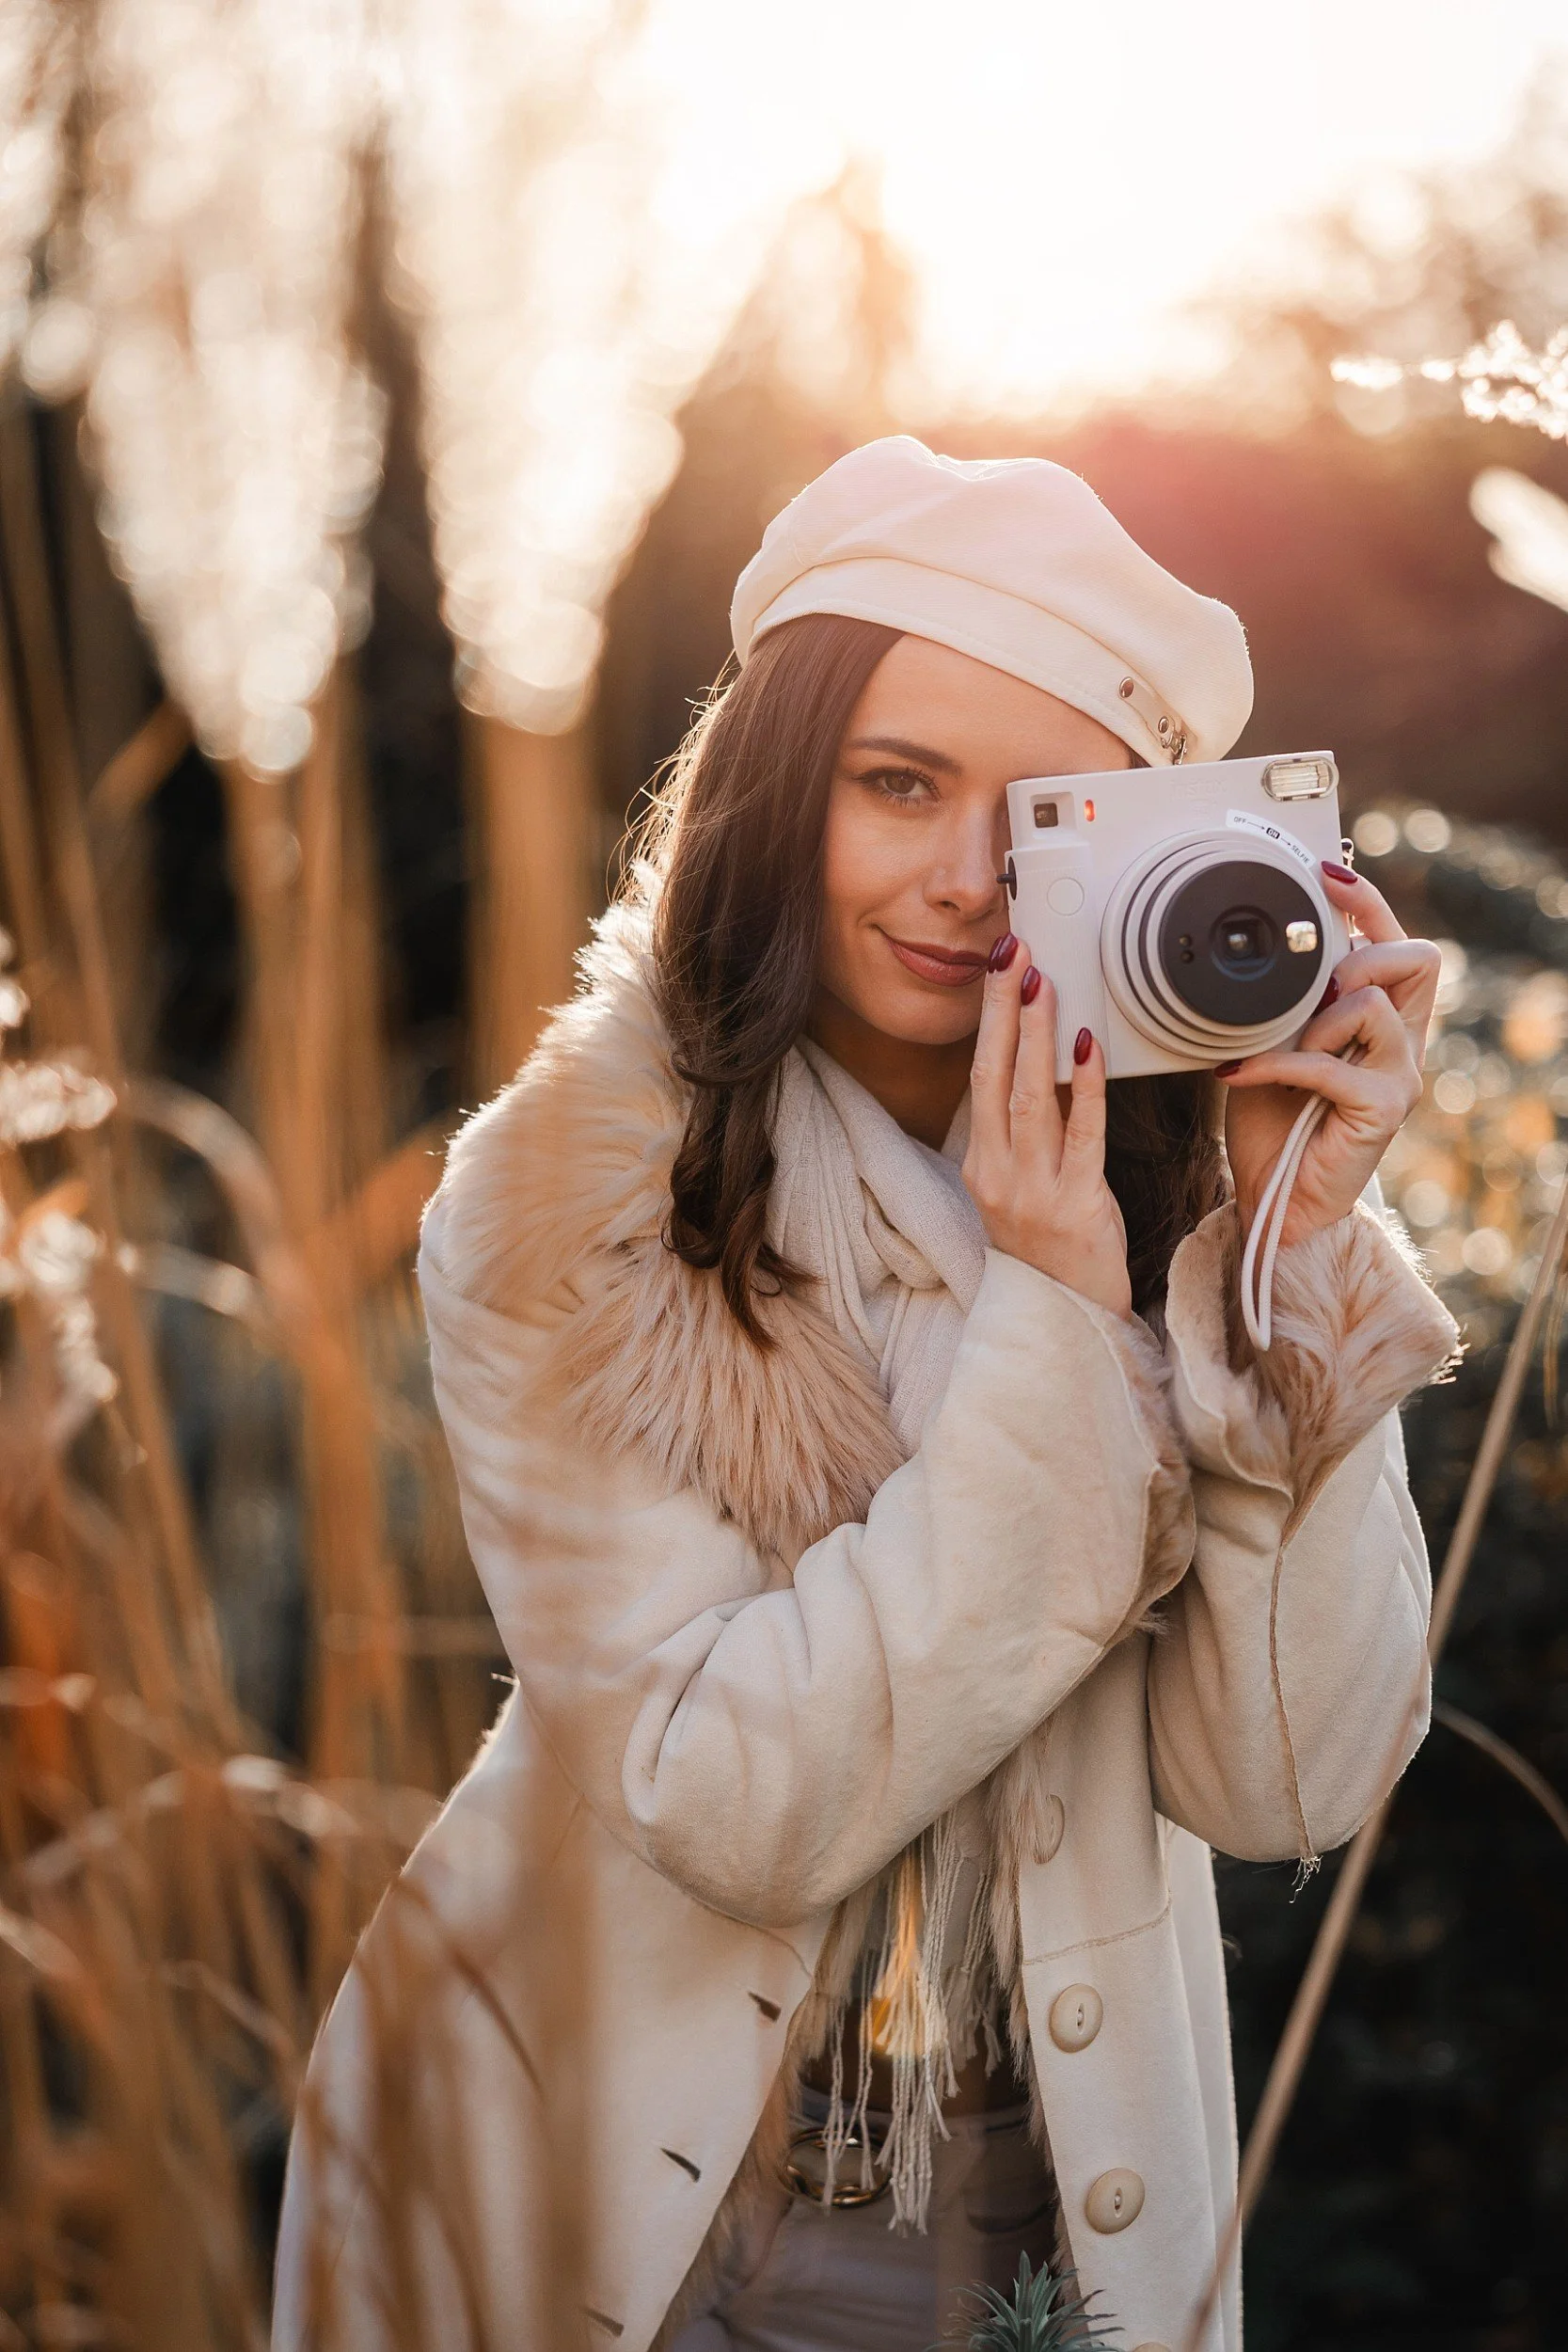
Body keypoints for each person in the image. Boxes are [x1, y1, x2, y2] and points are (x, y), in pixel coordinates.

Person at [273, 438, 1459, 2352]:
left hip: (1058, 2210)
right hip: (596, 2195)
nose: (967, 880)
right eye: (893, 782)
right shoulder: (581, 1193)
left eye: (1050, 813)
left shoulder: (1188, 1195)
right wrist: (1056, 1318)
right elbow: (728, 1797)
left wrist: (1282, 1253)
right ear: (771, 784)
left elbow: (1289, 1778)